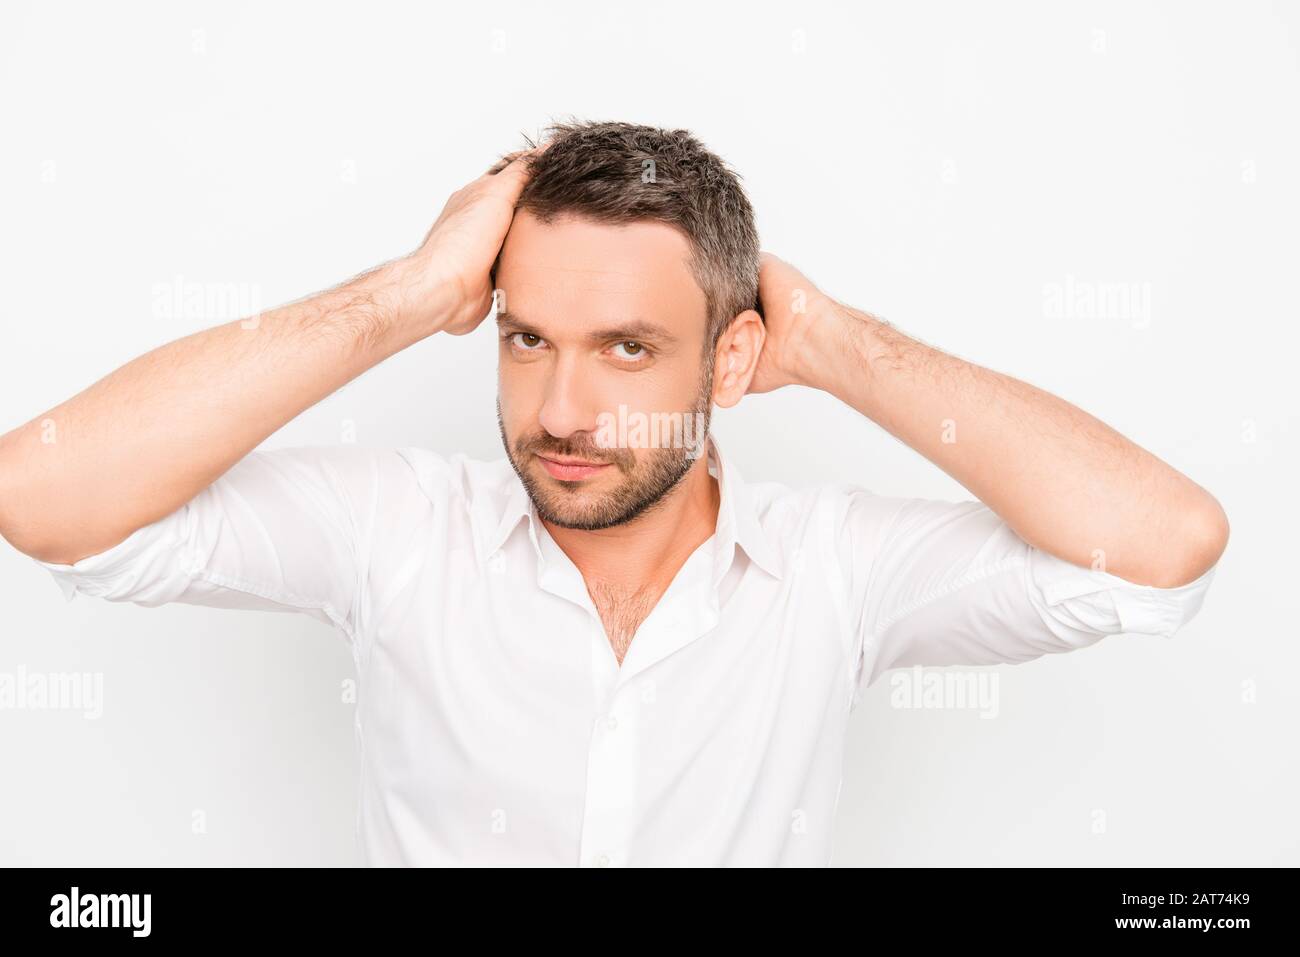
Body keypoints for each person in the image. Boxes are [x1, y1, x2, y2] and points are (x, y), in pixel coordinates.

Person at [0, 121, 1228, 866]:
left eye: (627, 348)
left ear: (731, 358)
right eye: (527, 339)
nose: (561, 411)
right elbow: (44, 492)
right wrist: (404, 294)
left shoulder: (833, 573)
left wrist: (839, 343)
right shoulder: (395, 535)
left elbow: (1162, 543)